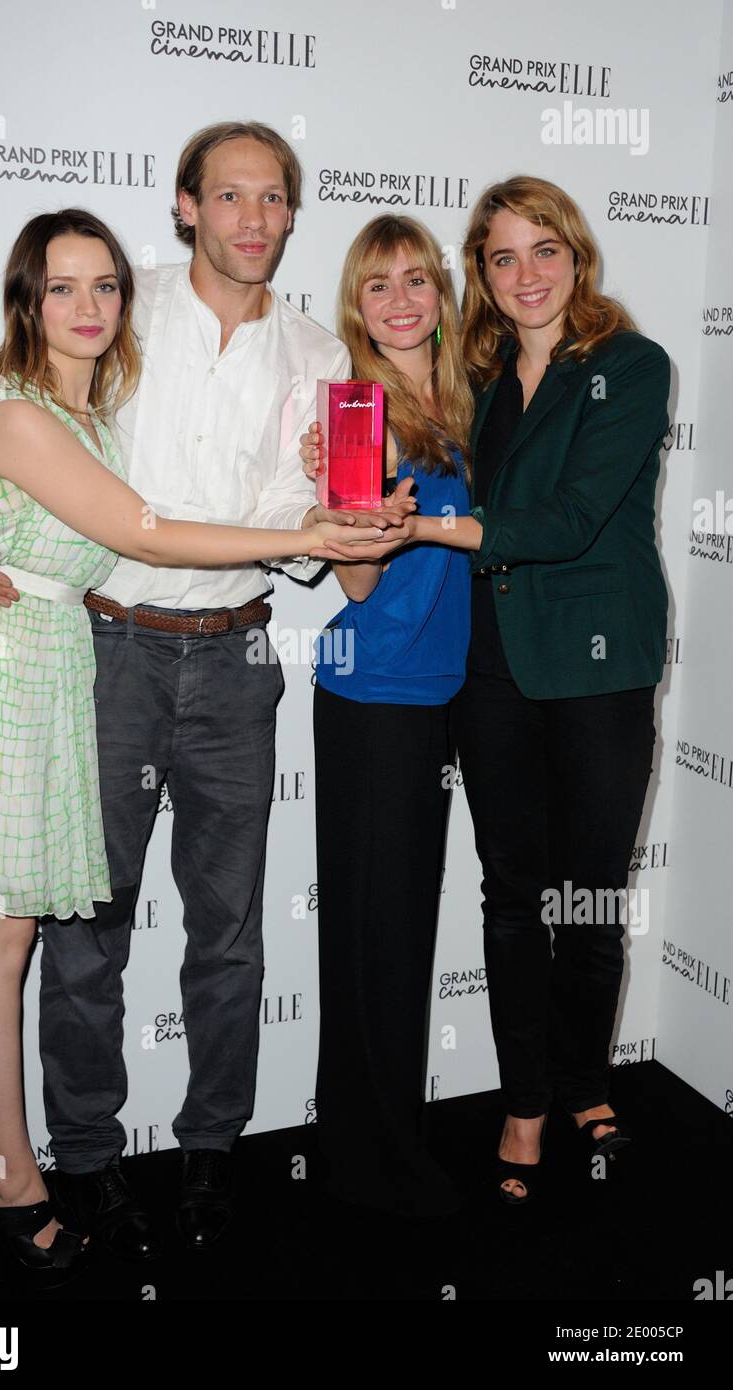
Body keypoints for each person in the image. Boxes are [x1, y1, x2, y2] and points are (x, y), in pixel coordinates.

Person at [0, 124, 413, 1255]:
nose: (253, 218)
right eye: (229, 195)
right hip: (108, 651)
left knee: (227, 929)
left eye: (273, 198)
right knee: (85, 925)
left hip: (240, 657)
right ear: (187, 205)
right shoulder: (118, 302)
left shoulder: (319, 357)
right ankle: (85, 1158)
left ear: (292, 213)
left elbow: (305, 534)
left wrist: (333, 514)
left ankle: (210, 1150)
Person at [318, 175, 671, 1205]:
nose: (525, 274)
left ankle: (582, 1082)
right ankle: (522, 1103)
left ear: (576, 256)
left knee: (588, 894)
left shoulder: (627, 365)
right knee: (513, 892)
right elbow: (387, 474)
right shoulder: (471, 382)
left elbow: (569, 520)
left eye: (543, 250)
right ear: (481, 273)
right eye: (502, 256)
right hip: (491, 670)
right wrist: (343, 479)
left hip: (597, 667)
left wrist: (427, 526)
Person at [306, 215, 474, 1219]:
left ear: (440, 296)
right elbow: (361, 585)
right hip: (372, 691)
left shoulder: (465, 398)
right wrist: (361, 511)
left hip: (444, 691)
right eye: (378, 285)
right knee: (374, 935)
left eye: (416, 279)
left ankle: (377, 1147)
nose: (401, 300)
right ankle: (372, 1164)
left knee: (401, 929)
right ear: (356, 306)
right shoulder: (355, 411)